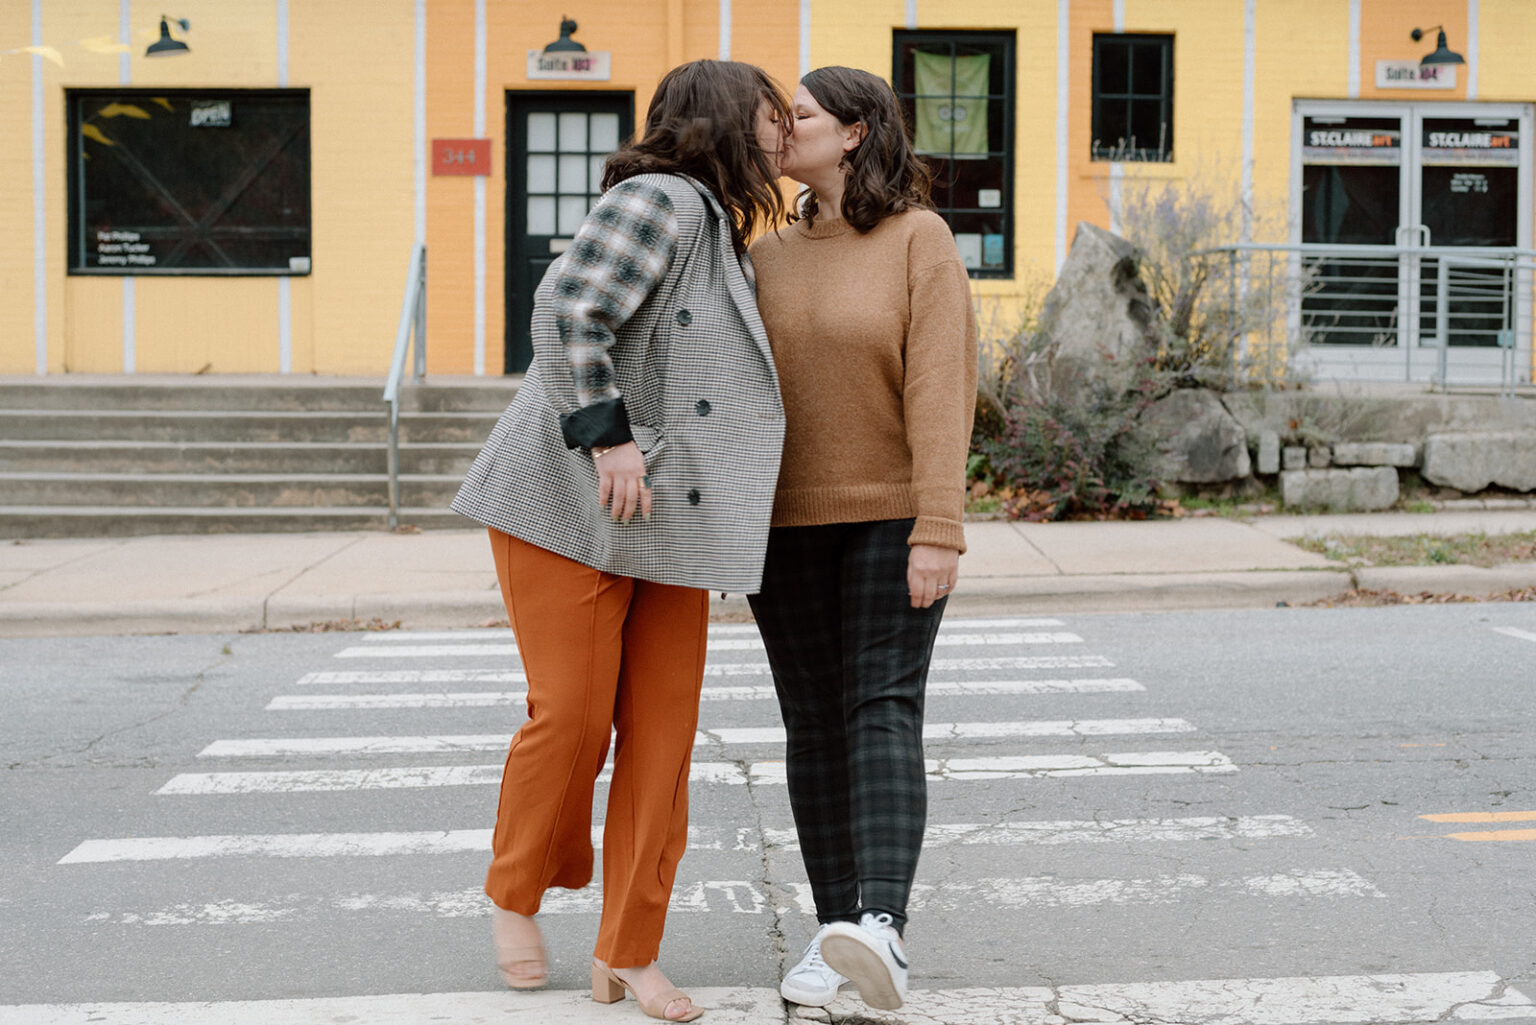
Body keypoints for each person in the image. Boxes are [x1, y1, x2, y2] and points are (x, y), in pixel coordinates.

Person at [450, 59, 790, 1022]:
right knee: (572, 715)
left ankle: (628, 952)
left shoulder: (724, 226)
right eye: (771, 114)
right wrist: (609, 437)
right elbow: (568, 310)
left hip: (667, 524)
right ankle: (512, 891)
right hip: (567, 498)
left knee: (665, 741)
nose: (781, 131)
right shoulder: (661, 198)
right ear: (727, 117)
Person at [746, 66, 978, 1012]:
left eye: (796, 114)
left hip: (889, 511)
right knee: (811, 724)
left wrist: (941, 524)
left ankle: (881, 921)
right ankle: (835, 931)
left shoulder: (918, 239)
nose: (780, 127)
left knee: (879, 707)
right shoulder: (765, 252)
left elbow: (941, 386)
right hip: (781, 525)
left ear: (853, 132)